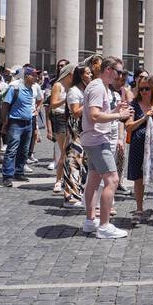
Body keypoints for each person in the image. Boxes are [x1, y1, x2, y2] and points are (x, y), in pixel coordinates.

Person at [80, 56, 132, 239]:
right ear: (108, 70)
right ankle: (104, 225)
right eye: (119, 72)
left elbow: (97, 114)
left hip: (92, 138)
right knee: (112, 180)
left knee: (94, 180)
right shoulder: (98, 87)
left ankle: (90, 221)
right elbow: (94, 115)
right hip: (97, 140)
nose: (120, 76)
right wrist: (119, 115)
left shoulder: (99, 87)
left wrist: (114, 110)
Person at [124, 72, 153, 219]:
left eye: (147, 89)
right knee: (138, 178)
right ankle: (139, 209)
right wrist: (144, 118)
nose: (144, 92)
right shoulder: (133, 105)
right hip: (139, 145)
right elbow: (128, 126)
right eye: (141, 89)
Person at [0, 68, 39, 185]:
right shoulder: (15, 88)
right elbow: (5, 105)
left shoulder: (31, 89)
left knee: (24, 150)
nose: (36, 78)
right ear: (27, 76)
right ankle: (7, 176)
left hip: (28, 122)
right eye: (34, 76)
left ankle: (19, 171)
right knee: (12, 149)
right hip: (15, 122)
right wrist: (5, 121)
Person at [62, 65, 91, 207]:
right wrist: (88, 102)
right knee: (73, 160)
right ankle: (70, 195)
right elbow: (75, 112)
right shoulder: (74, 91)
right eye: (87, 73)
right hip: (75, 129)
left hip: (84, 128)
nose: (90, 75)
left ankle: (79, 192)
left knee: (83, 161)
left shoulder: (85, 89)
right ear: (80, 75)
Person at [48, 65, 72, 194]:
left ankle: (66, 178)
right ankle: (58, 180)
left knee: (69, 151)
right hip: (60, 117)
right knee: (64, 151)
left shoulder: (73, 86)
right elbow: (53, 104)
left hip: (71, 117)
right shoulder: (58, 85)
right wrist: (66, 99)